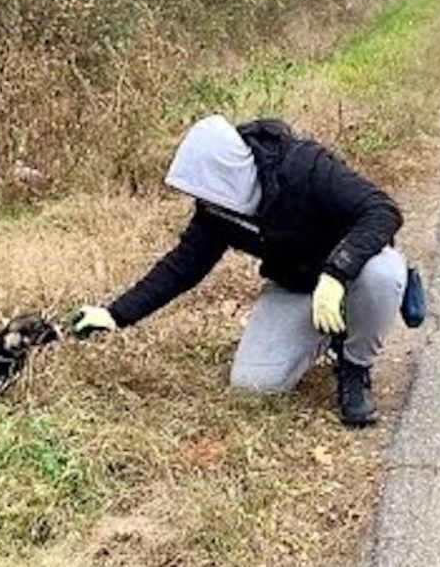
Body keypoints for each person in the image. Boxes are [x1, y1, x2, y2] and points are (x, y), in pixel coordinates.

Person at [71, 115, 406, 426]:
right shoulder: (218, 210)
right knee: (254, 384)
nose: (200, 199)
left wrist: (336, 274)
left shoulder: (303, 166)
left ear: (225, 171)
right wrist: (116, 314)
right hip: (296, 285)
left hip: (354, 269)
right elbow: (181, 267)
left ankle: (355, 365)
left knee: (383, 277)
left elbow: (382, 211)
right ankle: (330, 330)